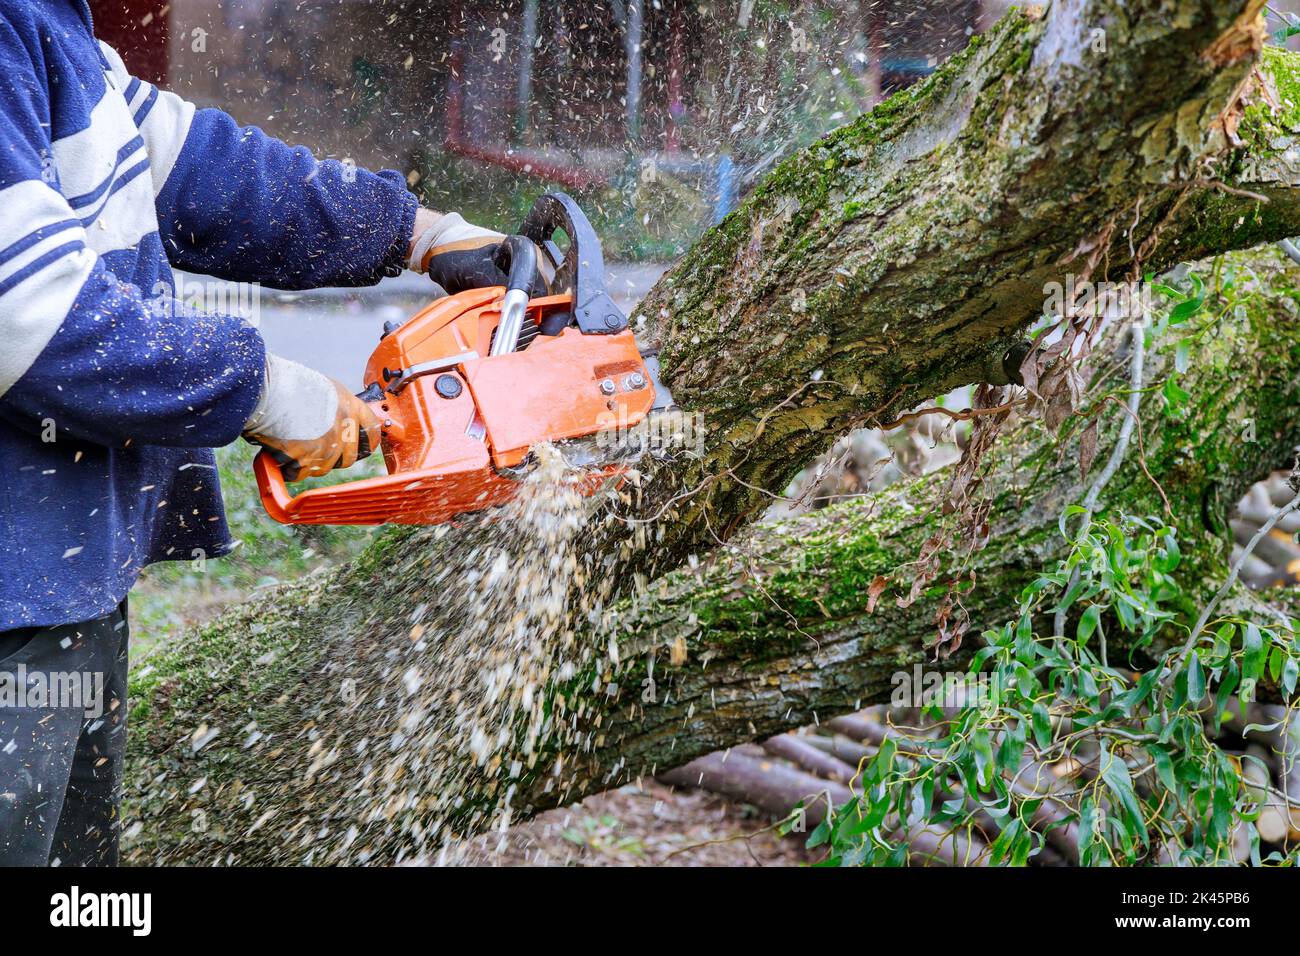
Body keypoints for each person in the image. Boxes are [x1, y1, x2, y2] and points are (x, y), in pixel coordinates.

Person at [0, 0, 534, 865]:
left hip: (60, 584)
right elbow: (30, 319)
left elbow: (191, 165)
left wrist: (418, 233)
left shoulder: (45, 20)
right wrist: (263, 390)